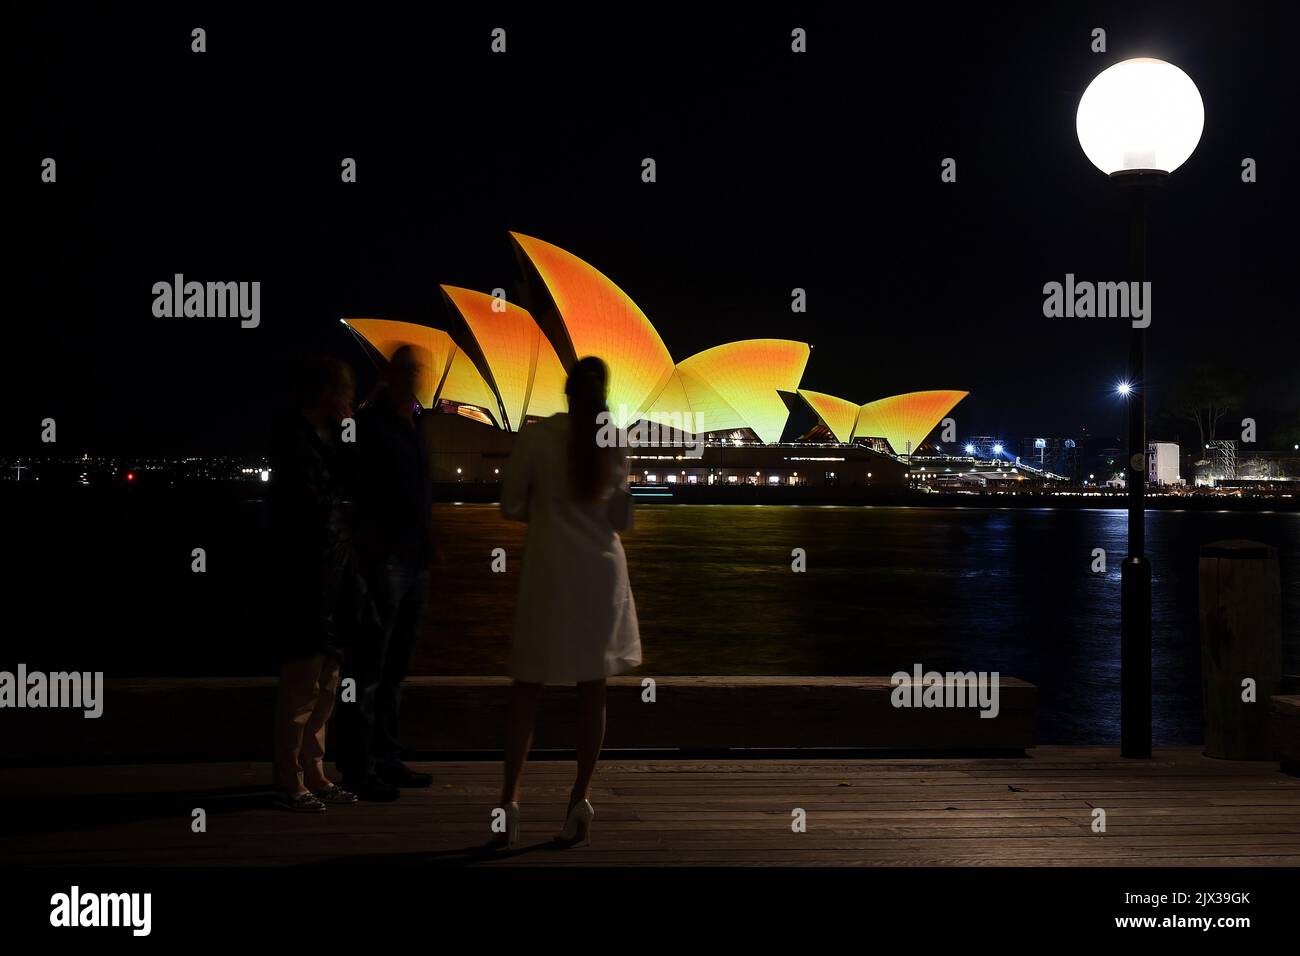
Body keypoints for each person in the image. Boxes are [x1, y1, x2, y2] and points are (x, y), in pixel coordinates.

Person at [494, 356, 641, 848]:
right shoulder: (615, 439)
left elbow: (511, 505)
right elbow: (623, 520)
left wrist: (547, 510)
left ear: (565, 391)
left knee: (527, 689)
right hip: (601, 576)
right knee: (592, 691)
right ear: (604, 393)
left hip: (549, 574)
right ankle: (578, 802)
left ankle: (509, 804)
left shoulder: (536, 437)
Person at [334, 345, 436, 801]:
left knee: (396, 668)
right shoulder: (371, 424)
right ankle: (358, 767)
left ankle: (387, 756)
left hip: (414, 561)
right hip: (383, 561)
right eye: (410, 368)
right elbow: (350, 484)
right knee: (369, 667)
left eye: (421, 369)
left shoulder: (416, 424)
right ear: (391, 373)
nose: (418, 376)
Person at [269, 355, 366, 812]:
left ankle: (315, 768)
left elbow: (356, 487)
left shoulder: (328, 440)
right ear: (327, 392)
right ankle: (289, 778)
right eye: (345, 389)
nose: (350, 399)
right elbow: (309, 507)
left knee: (328, 684)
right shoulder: (295, 441)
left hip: (335, 574)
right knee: (302, 686)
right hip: (305, 579)